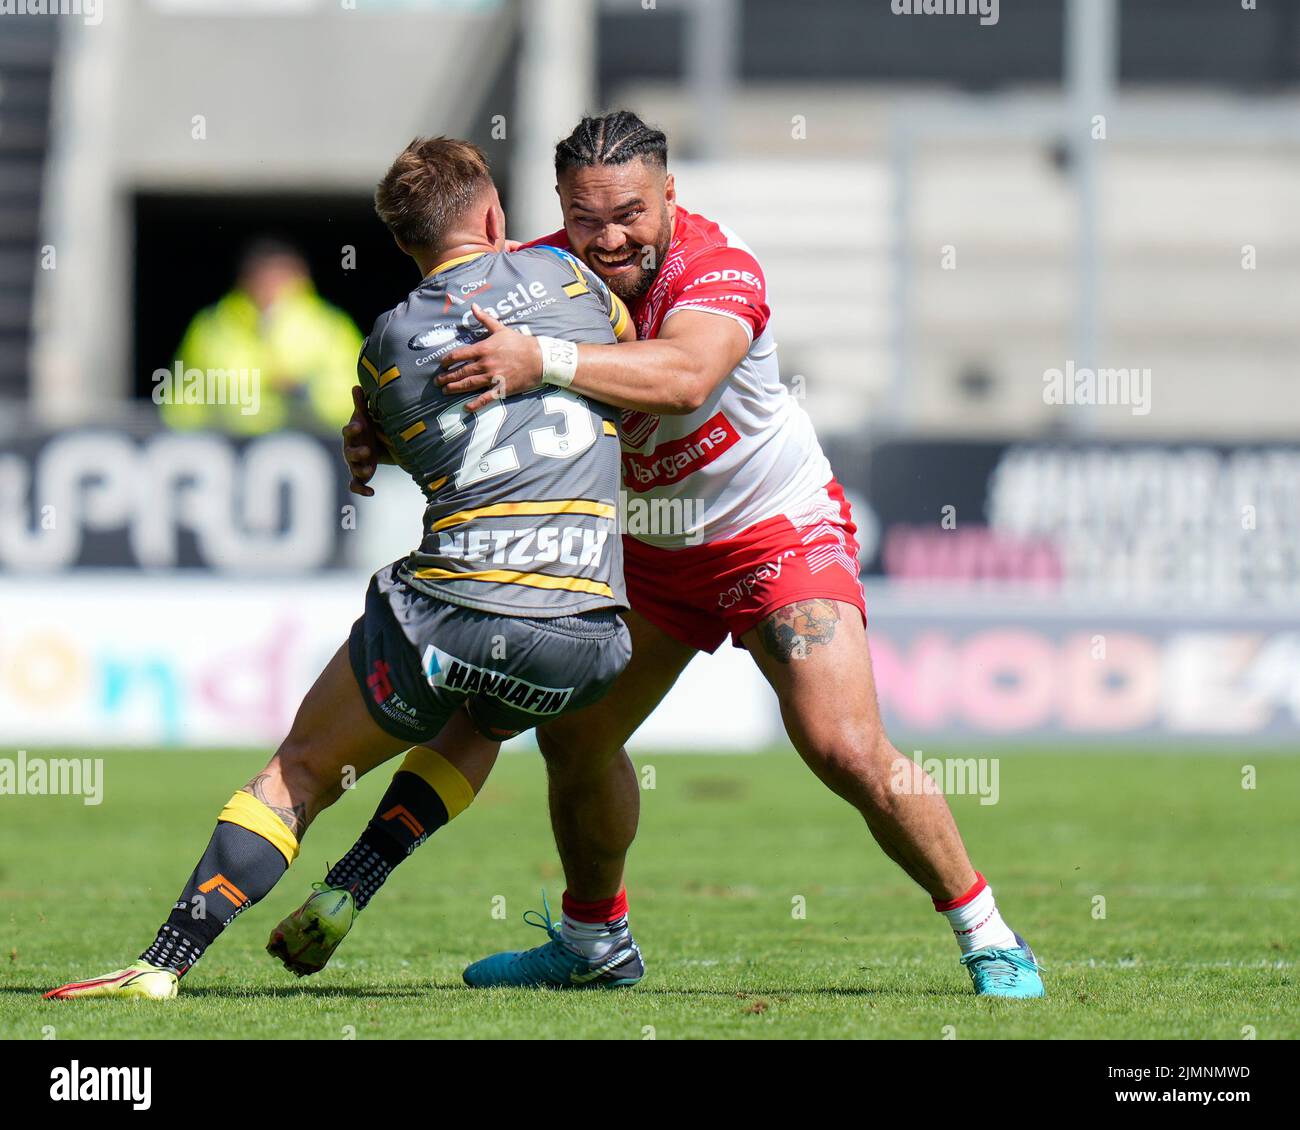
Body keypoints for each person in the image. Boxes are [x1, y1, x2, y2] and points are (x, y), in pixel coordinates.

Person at [337, 112, 1045, 999]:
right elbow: (470, 396)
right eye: (586, 217)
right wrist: (378, 434)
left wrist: (544, 359)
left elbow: (684, 378)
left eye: (630, 212)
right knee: (574, 738)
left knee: (843, 745)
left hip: (769, 532)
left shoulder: (717, 263)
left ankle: (989, 936)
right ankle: (596, 944)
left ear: (670, 194)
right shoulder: (544, 276)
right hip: (645, 555)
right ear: (557, 205)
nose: (609, 238)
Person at [44, 136, 637, 1001]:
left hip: (460, 613)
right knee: (480, 719)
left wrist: (376, 437)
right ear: (497, 217)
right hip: (590, 640)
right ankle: (352, 883)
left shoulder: (389, 343)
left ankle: (161, 964)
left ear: (404, 246)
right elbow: (614, 375)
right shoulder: (584, 288)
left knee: (303, 771)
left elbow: (421, 442)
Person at [161, 239, 361, 434]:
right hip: (229, 453)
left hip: (310, 449)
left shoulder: (331, 327)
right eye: (262, 278)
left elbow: (356, 400)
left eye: (281, 278)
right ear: (244, 280)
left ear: (302, 278)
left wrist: (303, 392)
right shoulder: (210, 327)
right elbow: (180, 403)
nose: (270, 288)